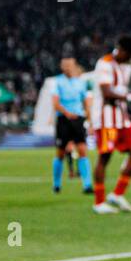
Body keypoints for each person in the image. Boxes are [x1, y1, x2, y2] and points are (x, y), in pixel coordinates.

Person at [90, 35, 131, 213]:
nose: (130, 59)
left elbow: (119, 90)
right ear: (121, 50)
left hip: (121, 118)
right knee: (104, 157)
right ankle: (99, 202)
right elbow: (106, 92)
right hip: (106, 120)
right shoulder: (104, 63)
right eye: (128, 55)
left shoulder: (122, 66)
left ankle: (117, 194)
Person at [52, 58, 94, 194]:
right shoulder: (57, 82)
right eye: (64, 65)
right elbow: (55, 103)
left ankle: (87, 185)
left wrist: (90, 120)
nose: (67, 67)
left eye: (69, 65)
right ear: (61, 67)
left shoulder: (81, 83)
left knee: (82, 150)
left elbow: (86, 103)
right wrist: (67, 113)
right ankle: (56, 184)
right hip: (64, 119)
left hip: (78, 120)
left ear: (74, 66)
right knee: (60, 153)